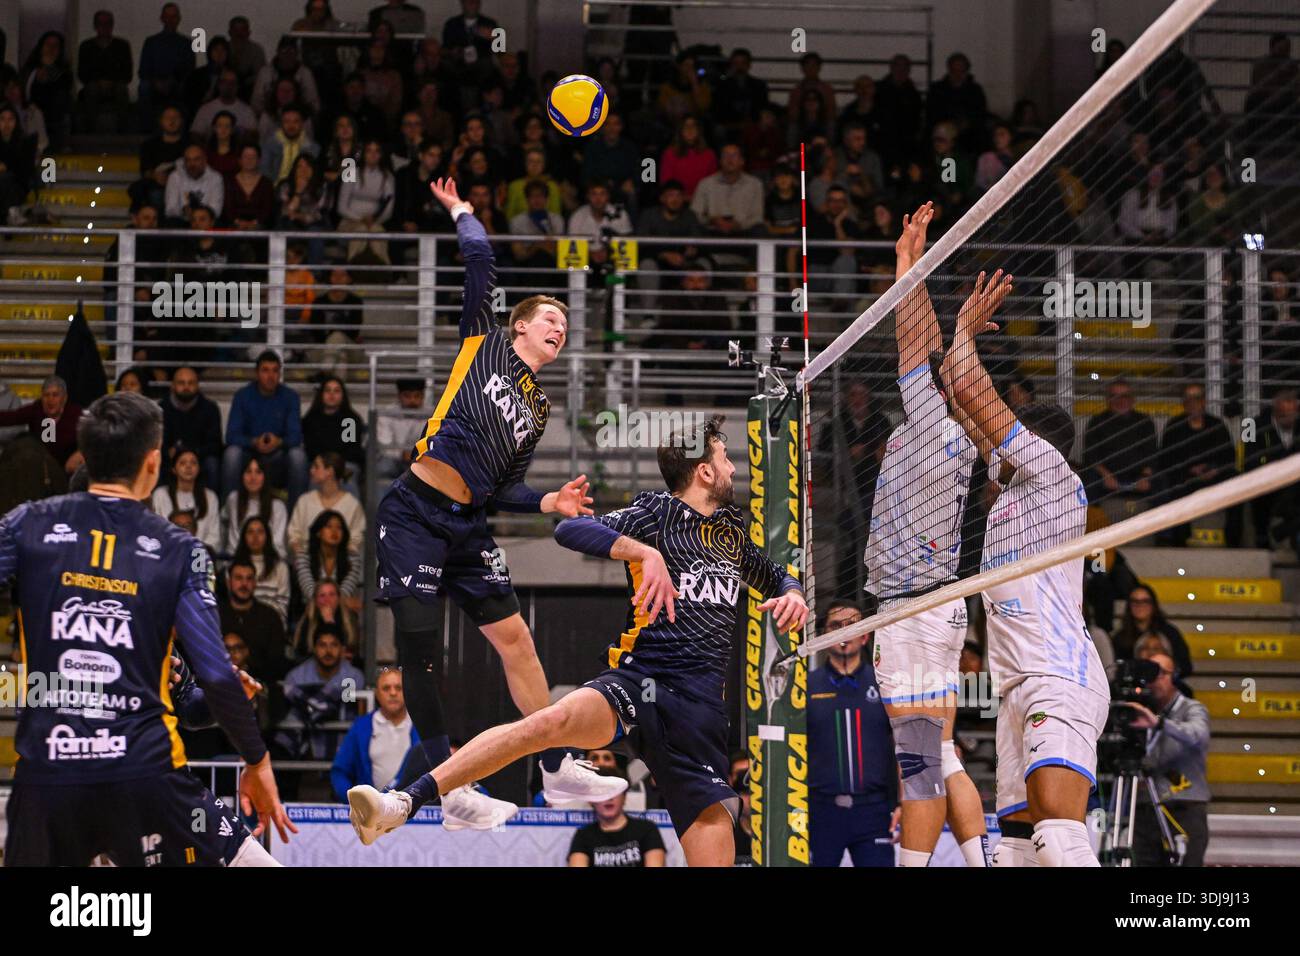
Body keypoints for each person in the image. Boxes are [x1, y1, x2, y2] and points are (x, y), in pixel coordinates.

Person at [351, 416, 809, 865]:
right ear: (704, 470)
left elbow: (775, 577)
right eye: (726, 458)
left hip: (700, 716)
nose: (733, 468)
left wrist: (793, 594)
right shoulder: (657, 512)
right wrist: (643, 551)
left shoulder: (730, 532)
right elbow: (568, 529)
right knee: (542, 726)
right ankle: (405, 802)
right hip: (641, 682)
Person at [356, 177, 627, 829]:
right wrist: (462, 210)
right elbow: (480, 260)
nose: (560, 327)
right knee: (418, 649)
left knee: (518, 644)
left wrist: (549, 502)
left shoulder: (539, 408)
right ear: (521, 326)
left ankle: (558, 768)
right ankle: (449, 791)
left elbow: (505, 486)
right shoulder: (483, 342)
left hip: (468, 526)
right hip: (415, 512)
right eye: (550, 319)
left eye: (565, 324)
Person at [0, 391, 293, 866]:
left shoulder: (27, 525)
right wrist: (257, 761)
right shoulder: (180, 550)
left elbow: (203, 693)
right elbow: (217, 675)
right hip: (144, 772)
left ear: (86, 454)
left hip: (49, 772)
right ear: (154, 464)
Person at [939, 268, 1109, 867]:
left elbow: (969, 383)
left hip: (1058, 677)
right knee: (1015, 847)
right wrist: (955, 340)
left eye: (1008, 434)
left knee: (1059, 834)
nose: (994, 440)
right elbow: (954, 390)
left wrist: (964, 330)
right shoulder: (1009, 492)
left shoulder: (1050, 471)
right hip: (1017, 689)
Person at [862, 204, 989, 867]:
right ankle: (979, 860)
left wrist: (907, 263)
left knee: (919, 756)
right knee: (941, 752)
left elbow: (916, 340)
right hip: (940, 606)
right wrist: (959, 331)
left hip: (911, 611)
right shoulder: (963, 433)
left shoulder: (936, 422)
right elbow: (933, 343)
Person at [808, 600, 899, 867]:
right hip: (819, 811)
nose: (844, 633)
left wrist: (903, 804)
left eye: (852, 626)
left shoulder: (884, 684)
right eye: (836, 626)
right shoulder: (805, 685)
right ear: (824, 635)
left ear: (865, 633)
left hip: (874, 811)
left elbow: (902, 745)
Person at [1125, 650, 1211, 867]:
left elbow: (1198, 735)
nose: (1154, 680)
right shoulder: (1140, 711)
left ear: (1175, 677)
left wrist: (1160, 724)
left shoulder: (1192, 708)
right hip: (1147, 809)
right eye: (1150, 674)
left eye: (1160, 673)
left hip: (1185, 806)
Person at [222, 350, 309, 501]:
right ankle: (229, 512)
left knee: (298, 456)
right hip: (250, 454)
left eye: (275, 371)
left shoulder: (290, 397)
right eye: (265, 370)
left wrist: (279, 441)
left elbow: (295, 436)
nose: (270, 376)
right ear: (257, 373)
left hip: (278, 456)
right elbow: (231, 436)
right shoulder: (242, 396)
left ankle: (295, 516)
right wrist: (253, 442)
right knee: (232, 454)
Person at [1157, 383, 1238, 547]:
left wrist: (1214, 469)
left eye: (1197, 398)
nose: (1193, 403)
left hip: (1214, 476)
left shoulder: (1217, 424)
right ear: (1183, 403)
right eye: (1188, 399)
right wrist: (1191, 469)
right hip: (1185, 477)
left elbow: (1229, 456)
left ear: (1204, 402)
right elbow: (1166, 459)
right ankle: (1180, 541)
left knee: (1236, 481)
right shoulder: (1174, 426)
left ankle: (1234, 541)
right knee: (1175, 486)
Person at [331, 667, 419, 801]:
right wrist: (355, 802)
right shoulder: (361, 727)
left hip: (414, 812)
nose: (393, 693)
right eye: (386, 688)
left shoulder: (422, 727)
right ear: (377, 694)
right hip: (370, 815)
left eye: (398, 688)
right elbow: (340, 772)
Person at [1083, 378, 1159, 505]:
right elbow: (1091, 456)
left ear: (1132, 399)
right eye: (1115, 396)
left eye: (1125, 396)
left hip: (1138, 476)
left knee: (1161, 482)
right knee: (1089, 481)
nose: (1121, 401)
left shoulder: (1145, 422)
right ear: (1108, 399)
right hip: (1105, 477)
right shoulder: (1097, 422)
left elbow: (1152, 454)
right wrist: (1106, 476)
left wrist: (1145, 477)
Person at [1243, 387, 1299, 551]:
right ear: (1275, 407)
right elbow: (1249, 460)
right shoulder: (1251, 424)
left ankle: (1284, 530)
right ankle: (1263, 537)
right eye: (1284, 414)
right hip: (1267, 479)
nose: (1289, 418)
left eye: (1292, 413)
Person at [219, 558, 290, 682]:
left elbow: (277, 662)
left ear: (255, 583)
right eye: (239, 578)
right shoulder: (216, 615)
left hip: (261, 685)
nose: (244, 584)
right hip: (219, 682)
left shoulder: (270, 616)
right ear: (229, 582)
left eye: (249, 578)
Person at [568, 783, 667, 867]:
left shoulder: (647, 829)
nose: (609, 798)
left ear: (624, 797)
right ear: (591, 800)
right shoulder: (583, 835)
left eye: (614, 791)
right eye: (603, 792)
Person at [0, 374, 83, 474]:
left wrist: (80, 453)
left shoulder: (75, 414)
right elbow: (11, 417)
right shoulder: (37, 409)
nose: (50, 400)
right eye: (46, 395)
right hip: (40, 470)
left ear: (64, 398)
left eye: (55, 395)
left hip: (68, 470)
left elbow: (93, 438)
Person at [287, 452, 366, 555]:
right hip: (307, 563)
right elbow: (294, 535)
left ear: (330, 471)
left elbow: (356, 540)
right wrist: (303, 559)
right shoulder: (304, 501)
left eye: (316, 467)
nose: (311, 471)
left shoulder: (352, 505)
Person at [1113, 584, 1193, 682]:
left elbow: (1185, 666)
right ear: (1129, 606)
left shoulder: (1170, 633)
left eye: (1145, 601)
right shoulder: (1120, 638)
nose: (1140, 605)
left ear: (1153, 605)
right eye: (1135, 601)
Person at [151, 444, 221, 556]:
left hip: (200, 556)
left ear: (199, 468)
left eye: (193, 463)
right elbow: (156, 532)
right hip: (168, 555)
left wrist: (195, 551)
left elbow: (214, 536)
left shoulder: (210, 497)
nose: (188, 467)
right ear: (174, 469)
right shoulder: (160, 494)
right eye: (183, 463)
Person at [690, 143, 764, 240]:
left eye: (734, 156)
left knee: (761, 230)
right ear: (720, 161)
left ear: (742, 161)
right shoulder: (705, 184)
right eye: (726, 156)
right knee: (694, 229)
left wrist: (738, 225)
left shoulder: (755, 184)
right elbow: (695, 214)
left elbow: (757, 217)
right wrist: (712, 220)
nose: (730, 160)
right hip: (713, 232)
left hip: (743, 232)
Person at [137, 3, 195, 125]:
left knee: (187, 88)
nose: (170, 20)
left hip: (177, 82)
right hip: (154, 83)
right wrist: (155, 82)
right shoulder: (151, 42)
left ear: (178, 19)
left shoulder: (186, 43)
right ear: (162, 18)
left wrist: (172, 81)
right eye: (167, 16)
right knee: (144, 87)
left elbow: (189, 69)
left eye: (173, 16)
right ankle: (145, 128)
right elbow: (143, 70)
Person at [76, 10, 132, 135]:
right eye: (101, 23)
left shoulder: (122, 46)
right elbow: (82, 73)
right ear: (95, 26)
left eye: (108, 23)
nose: (105, 26)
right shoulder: (86, 46)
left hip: (117, 85)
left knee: (122, 90)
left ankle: (122, 133)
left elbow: (127, 73)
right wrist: (99, 82)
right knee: (91, 90)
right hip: (93, 85)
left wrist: (111, 82)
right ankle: (90, 132)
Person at [295, 509, 362, 608]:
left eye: (339, 528)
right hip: (312, 613)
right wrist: (344, 602)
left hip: (342, 614)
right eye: (329, 526)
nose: (334, 531)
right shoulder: (303, 557)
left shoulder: (352, 559)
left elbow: (345, 593)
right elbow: (310, 593)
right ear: (318, 532)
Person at [233, 514, 291, 624]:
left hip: (271, 626)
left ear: (267, 536)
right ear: (243, 537)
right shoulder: (234, 568)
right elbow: (233, 604)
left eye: (260, 532)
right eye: (250, 532)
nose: (255, 537)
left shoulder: (280, 567)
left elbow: (282, 606)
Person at [375, 379, 429, 482]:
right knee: (382, 468)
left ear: (423, 397)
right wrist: (401, 454)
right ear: (399, 396)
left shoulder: (432, 414)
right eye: (407, 396)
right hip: (394, 460)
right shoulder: (387, 413)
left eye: (417, 396)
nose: (412, 400)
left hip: (422, 459)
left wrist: (414, 454)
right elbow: (384, 445)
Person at [164, 144, 225, 224]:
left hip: (205, 224)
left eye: (196, 159)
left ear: (205, 160)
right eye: (188, 160)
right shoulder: (174, 177)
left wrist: (197, 215)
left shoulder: (216, 178)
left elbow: (216, 210)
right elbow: (170, 210)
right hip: (181, 222)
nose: (192, 164)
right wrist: (183, 211)